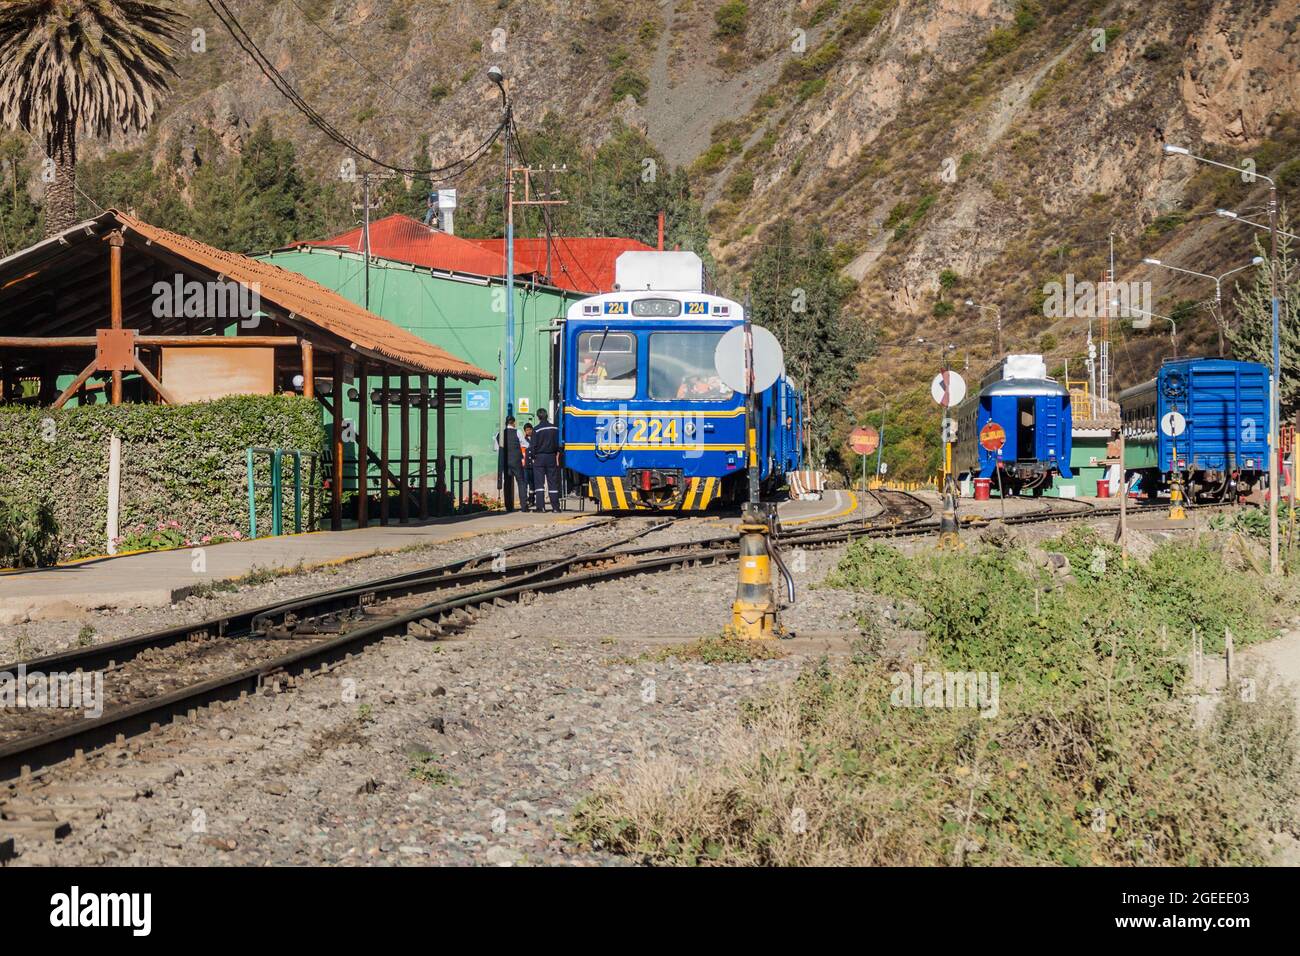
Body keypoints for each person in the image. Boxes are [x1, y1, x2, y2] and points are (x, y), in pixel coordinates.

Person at [530, 408, 562, 512]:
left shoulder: (536, 429)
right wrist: (557, 454)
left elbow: (533, 446)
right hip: (551, 457)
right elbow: (558, 444)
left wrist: (533, 457)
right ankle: (556, 507)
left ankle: (541, 507)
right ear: (547, 415)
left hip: (539, 458)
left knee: (539, 484)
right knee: (552, 483)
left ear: (538, 417)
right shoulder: (554, 428)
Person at [496, 415, 527, 513]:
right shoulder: (517, 432)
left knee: (507, 483)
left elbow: (496, 448)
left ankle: (509, 507)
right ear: (513, 423)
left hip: (505, 462)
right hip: (516, 461)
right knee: (521, 482)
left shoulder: (499, 434)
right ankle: (523, 506)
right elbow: (525, 444)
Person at [522, 422, 536, 503]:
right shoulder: (523, 440)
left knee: (533, 483)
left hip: (533, 465)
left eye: (530, 429)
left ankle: (532, 498)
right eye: (527, 430)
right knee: (525, 482)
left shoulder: (535, 439)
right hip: (526, 465)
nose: (529, 431)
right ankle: (525, 499)